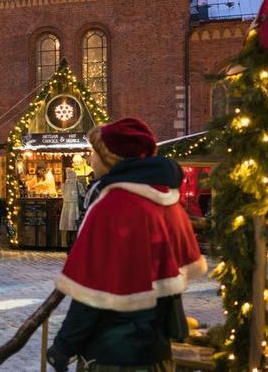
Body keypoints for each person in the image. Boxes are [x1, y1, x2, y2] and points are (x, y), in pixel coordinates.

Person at [46, 118, 206, 371]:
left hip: (113, 353)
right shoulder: (167, 202)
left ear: (110, 157)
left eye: (93, 152)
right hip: (158, 351)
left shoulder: (112, 207)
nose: (90, 159)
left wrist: (64, 346)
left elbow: (92, 293)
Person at [59, 168, 86, 248]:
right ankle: (74, 248)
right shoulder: (78, 184)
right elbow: (83, 194)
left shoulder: (64, 184)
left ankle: (68, 248)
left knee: (68, 230)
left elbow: (62, 194)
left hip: (66, 208)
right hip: (75, 208)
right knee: (74, 229)